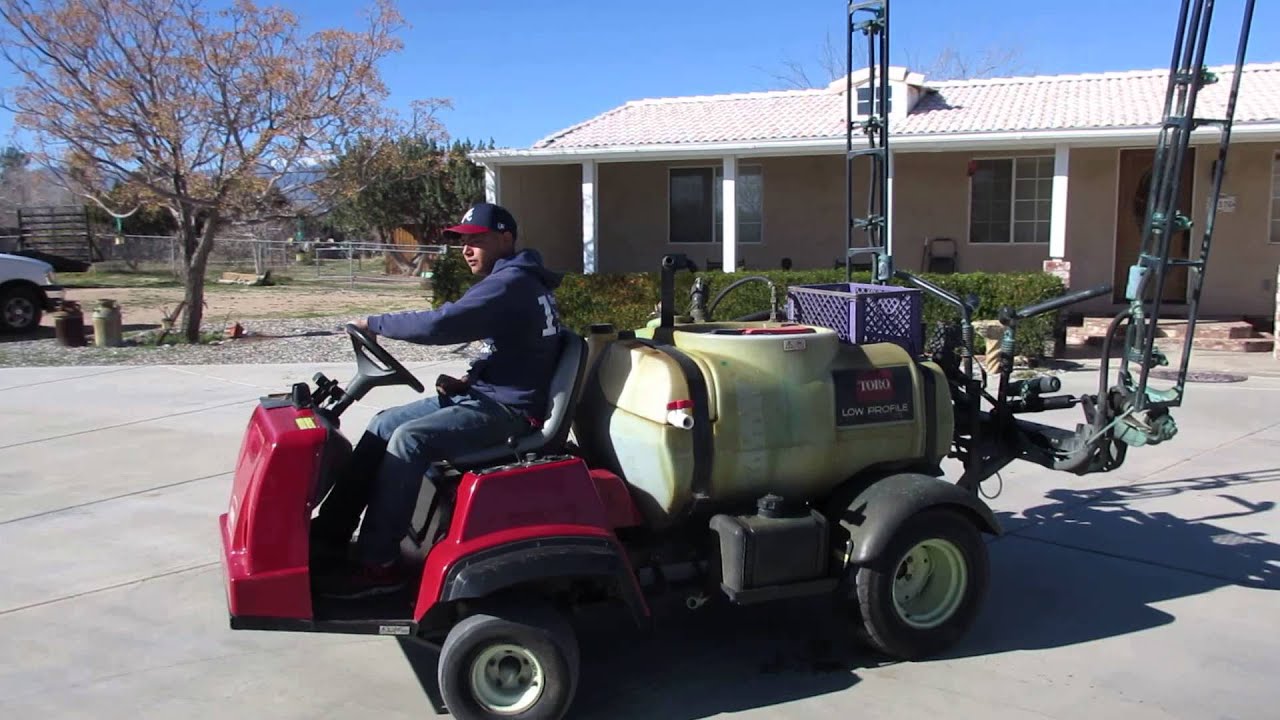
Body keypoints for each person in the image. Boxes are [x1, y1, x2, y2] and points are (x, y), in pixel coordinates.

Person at [311, 202, 564, 599]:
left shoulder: (511, 283)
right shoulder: (518, 279)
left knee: (409, 440)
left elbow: (443, 324)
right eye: (463, 241)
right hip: (488, 395)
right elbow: (514, 349)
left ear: (505, 239)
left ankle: (379, 564)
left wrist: (375, 323)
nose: (466, 249)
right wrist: (471, 378)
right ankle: (330, 535)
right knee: (382, 423)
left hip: (511, 413)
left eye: (476, 240)